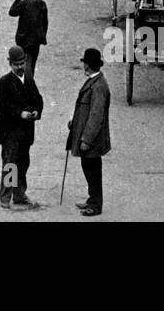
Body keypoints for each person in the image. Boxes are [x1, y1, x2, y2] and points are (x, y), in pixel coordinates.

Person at [0, 45, 43, 210]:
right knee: (10, 164)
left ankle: (20, 195)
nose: (20, 67)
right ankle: (6, 197)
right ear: (10, 64)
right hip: (10, 132)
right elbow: (2, 104)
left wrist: (37, 111)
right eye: (16, 64)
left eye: (22, 63)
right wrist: (19, 113)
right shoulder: (4, 82)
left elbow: (38, 99)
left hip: (26, 132)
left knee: (23, 163)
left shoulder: (29, 79)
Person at [66, 47, 111, 216]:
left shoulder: (98, 86)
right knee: (88, 168)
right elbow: (85, 110)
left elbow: (96, 116)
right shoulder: (95, 81)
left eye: (85, 63)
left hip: (92, 139)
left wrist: (86, 139)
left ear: (87, 65)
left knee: (93, 171)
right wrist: (75, 123)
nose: (84, 66)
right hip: (88, 136)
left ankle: (96, 205)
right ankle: (92, 200)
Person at [8, 0, 48, 79]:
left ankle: (25, 85)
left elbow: (12, 12)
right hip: (36, 40)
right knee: (32, 64)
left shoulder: (23, 3)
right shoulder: (41, 3)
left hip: (23, 39)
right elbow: (45, 23)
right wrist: (42, 36)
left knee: (23, 64)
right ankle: (29, 83)